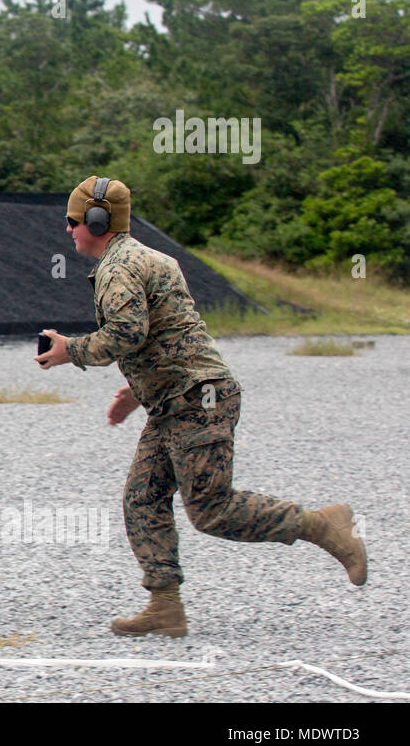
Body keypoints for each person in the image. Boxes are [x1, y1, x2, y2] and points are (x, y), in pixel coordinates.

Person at [34, 176, 368, 637]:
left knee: (211, 509)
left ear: (97, 220)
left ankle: (324, 526)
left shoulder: (118, 269)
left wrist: (68, 350)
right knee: (142, 498)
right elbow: (172, 333)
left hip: (195, 401)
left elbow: (127, 334)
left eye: (73, 221)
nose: (68, 230)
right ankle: (165, 607)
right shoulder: (154, 259)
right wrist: (136, 392)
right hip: (179, 399)